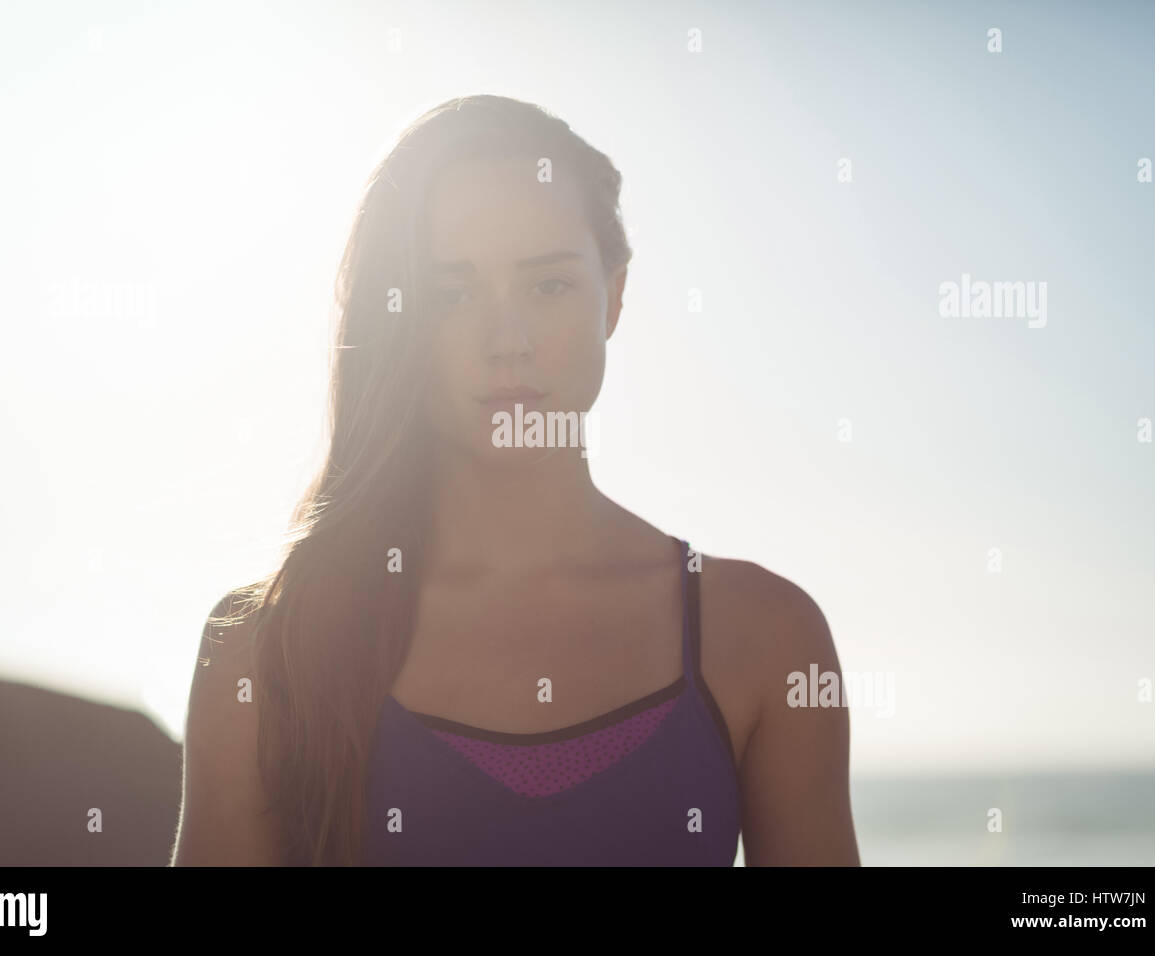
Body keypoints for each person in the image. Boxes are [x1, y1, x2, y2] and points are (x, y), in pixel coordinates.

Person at [171, 94, 859, 866]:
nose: (508, 341)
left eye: (549, 285)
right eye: (452, 294)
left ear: (616, 295)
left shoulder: (767, 637)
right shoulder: (262, 651)